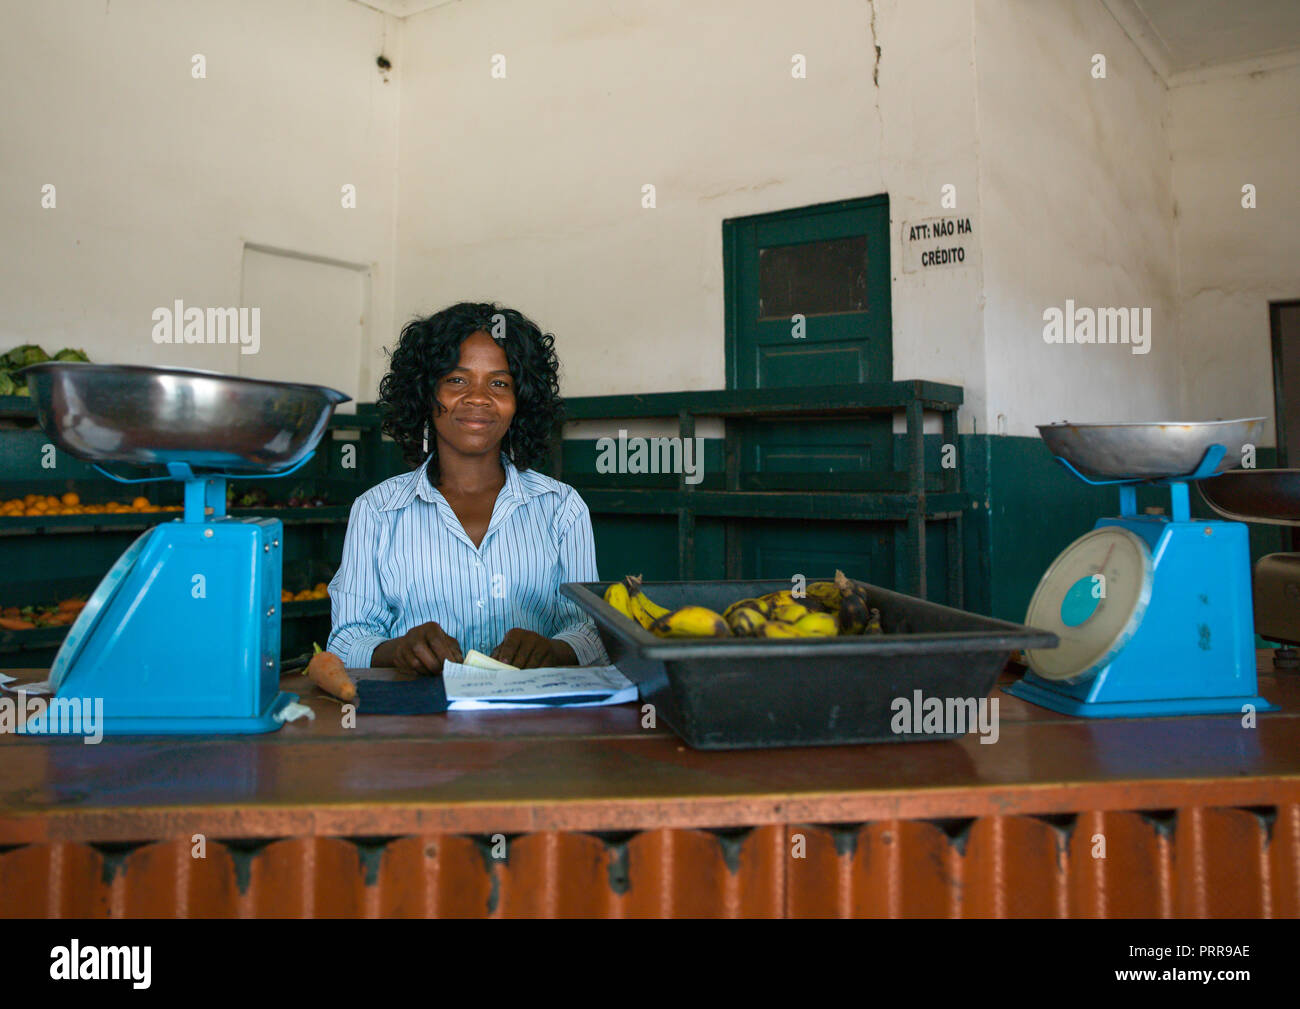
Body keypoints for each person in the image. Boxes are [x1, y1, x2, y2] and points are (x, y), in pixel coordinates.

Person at [326, 302, 608, 674]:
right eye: (457, 380)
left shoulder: (562, 507)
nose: (478, 397)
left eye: (499, 383)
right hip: (418, 720)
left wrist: (555, 650)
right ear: (427, 394)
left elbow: (591, 631)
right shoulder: (378, 510)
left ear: (519, 401)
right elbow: (346, 640)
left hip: (533, 719)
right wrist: (397, 650)